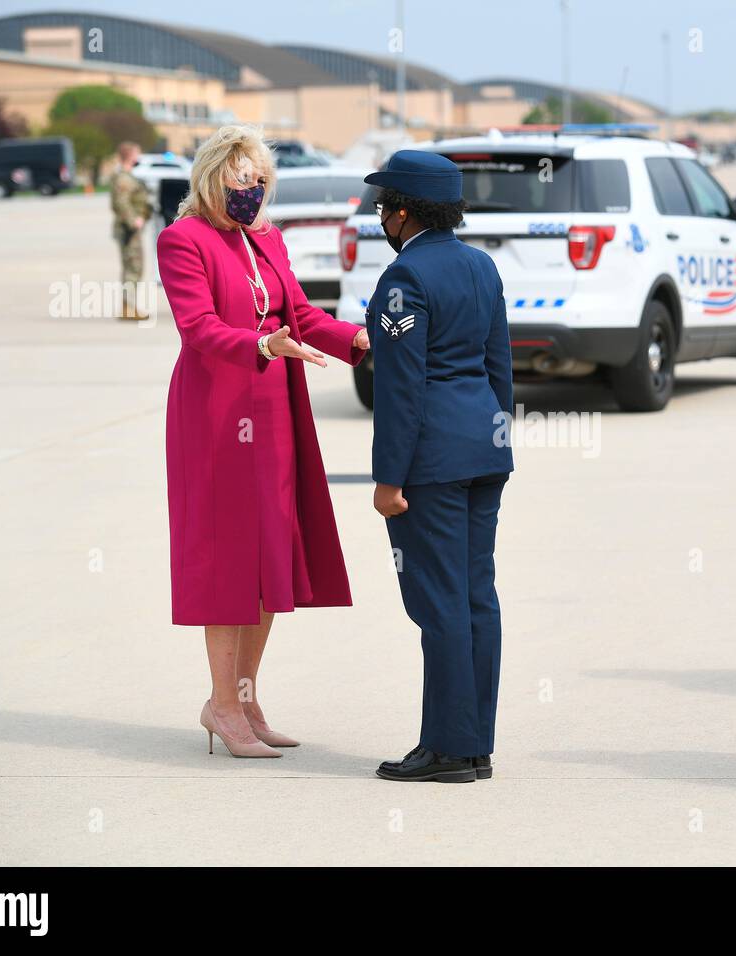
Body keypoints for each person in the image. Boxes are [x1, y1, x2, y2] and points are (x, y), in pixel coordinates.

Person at [157, 125, 370, 758]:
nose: (253, 191)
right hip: (216, 413)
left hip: (274, 410)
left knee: (269, 555)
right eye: (243, 178)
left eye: (262, 182)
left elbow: (300, 315)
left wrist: (356, 339)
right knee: (228, 559)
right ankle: (221, 705)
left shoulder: (268, 237)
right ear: (213, 174)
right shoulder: (183, 239)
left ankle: (245, 700)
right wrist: (259, 344)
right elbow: (197, 327)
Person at [362, 151, 514, 783]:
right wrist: (495, 439)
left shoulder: (405, 279)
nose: (379, 215)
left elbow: (402, 390)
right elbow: (499, 368)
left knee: (440, 602)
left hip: (431, 464)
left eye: (382, 205)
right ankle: (474, 743)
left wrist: (388, 478)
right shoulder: (482, 266)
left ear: (403, 211)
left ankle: (447, 749)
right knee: (478, 596)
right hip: (484, 450)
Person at [110, 142, 153, 320]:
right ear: (130, 155)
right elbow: (121, 202)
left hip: (131, 229)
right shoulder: (123, 178)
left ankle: (128, 306)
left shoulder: (127, 176)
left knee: (132, 268)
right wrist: (133, 220)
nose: (139, 157)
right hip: (128, 230)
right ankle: (128, 308)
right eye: (137, 153)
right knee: (133, 268)